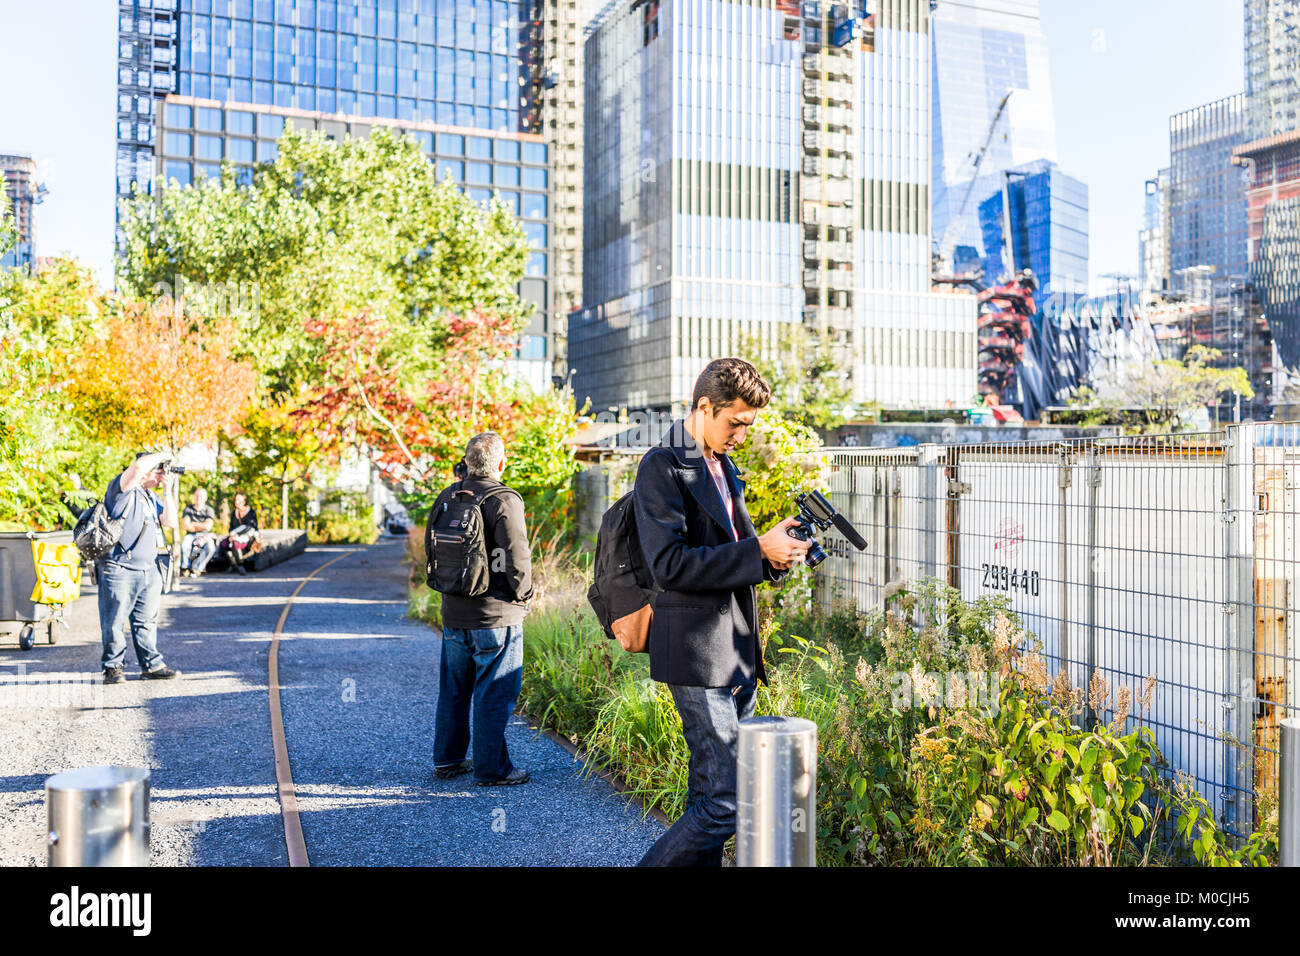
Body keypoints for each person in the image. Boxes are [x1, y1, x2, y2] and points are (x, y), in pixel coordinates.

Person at [632, 357, 810, 866]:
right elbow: (669, 565)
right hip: (697, 652)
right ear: (704, 407)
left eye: (749, 426)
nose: (741, 435)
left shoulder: (723, 464)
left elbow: (734, 549)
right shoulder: (663, 465)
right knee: (729, 800)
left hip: (737, 648)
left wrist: (775, 555)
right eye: (735, 422)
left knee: (708, 793)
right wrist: (758, 553)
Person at [431, 432, 534, 787]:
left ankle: (448, 759)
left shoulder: (449, 496)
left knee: (454, 689)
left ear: (467, 461)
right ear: (501, 464)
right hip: (495, 616)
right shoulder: (503, 499)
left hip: (453, 613)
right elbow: (517, 557)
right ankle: (493, 769)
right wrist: (524, 598)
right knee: (495, 690)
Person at [98, 451, 182, 684]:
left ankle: (151, 665)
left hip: (149, 569)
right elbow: (136, 469)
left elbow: (171, 522)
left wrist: (167, 491)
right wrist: (165, 453)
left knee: (146, 621)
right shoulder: (122, 489)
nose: (161, 474)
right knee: (114, 620)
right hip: (119, 568)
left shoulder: (151, 496)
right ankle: (113, 667)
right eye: (158, 470)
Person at [179, 487, 218, 577]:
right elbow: (185, 525)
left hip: (204, 535)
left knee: (211, 547)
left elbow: (207, 526)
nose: (198, 498)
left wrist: (192, 524)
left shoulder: (209, 510)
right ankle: (185, 568)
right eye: (197, 496)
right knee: (185, 544)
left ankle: (197, 568)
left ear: (205, 498)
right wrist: (201, 525)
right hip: (190, 534)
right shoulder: (188, 509)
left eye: (201, 496)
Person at [221, 492, 260, 574]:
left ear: (244, 501)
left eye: (239, 500)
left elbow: (250, 527)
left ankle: (241, 565)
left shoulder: (250, 512)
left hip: (248, 536)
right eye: (235, 500)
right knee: (223, 543)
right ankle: (233, 564)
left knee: (236, 543)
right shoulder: (234, 513)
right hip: (234, 535)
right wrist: (231, 535)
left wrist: (236, 536)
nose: (236, 502)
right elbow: (231, 527)